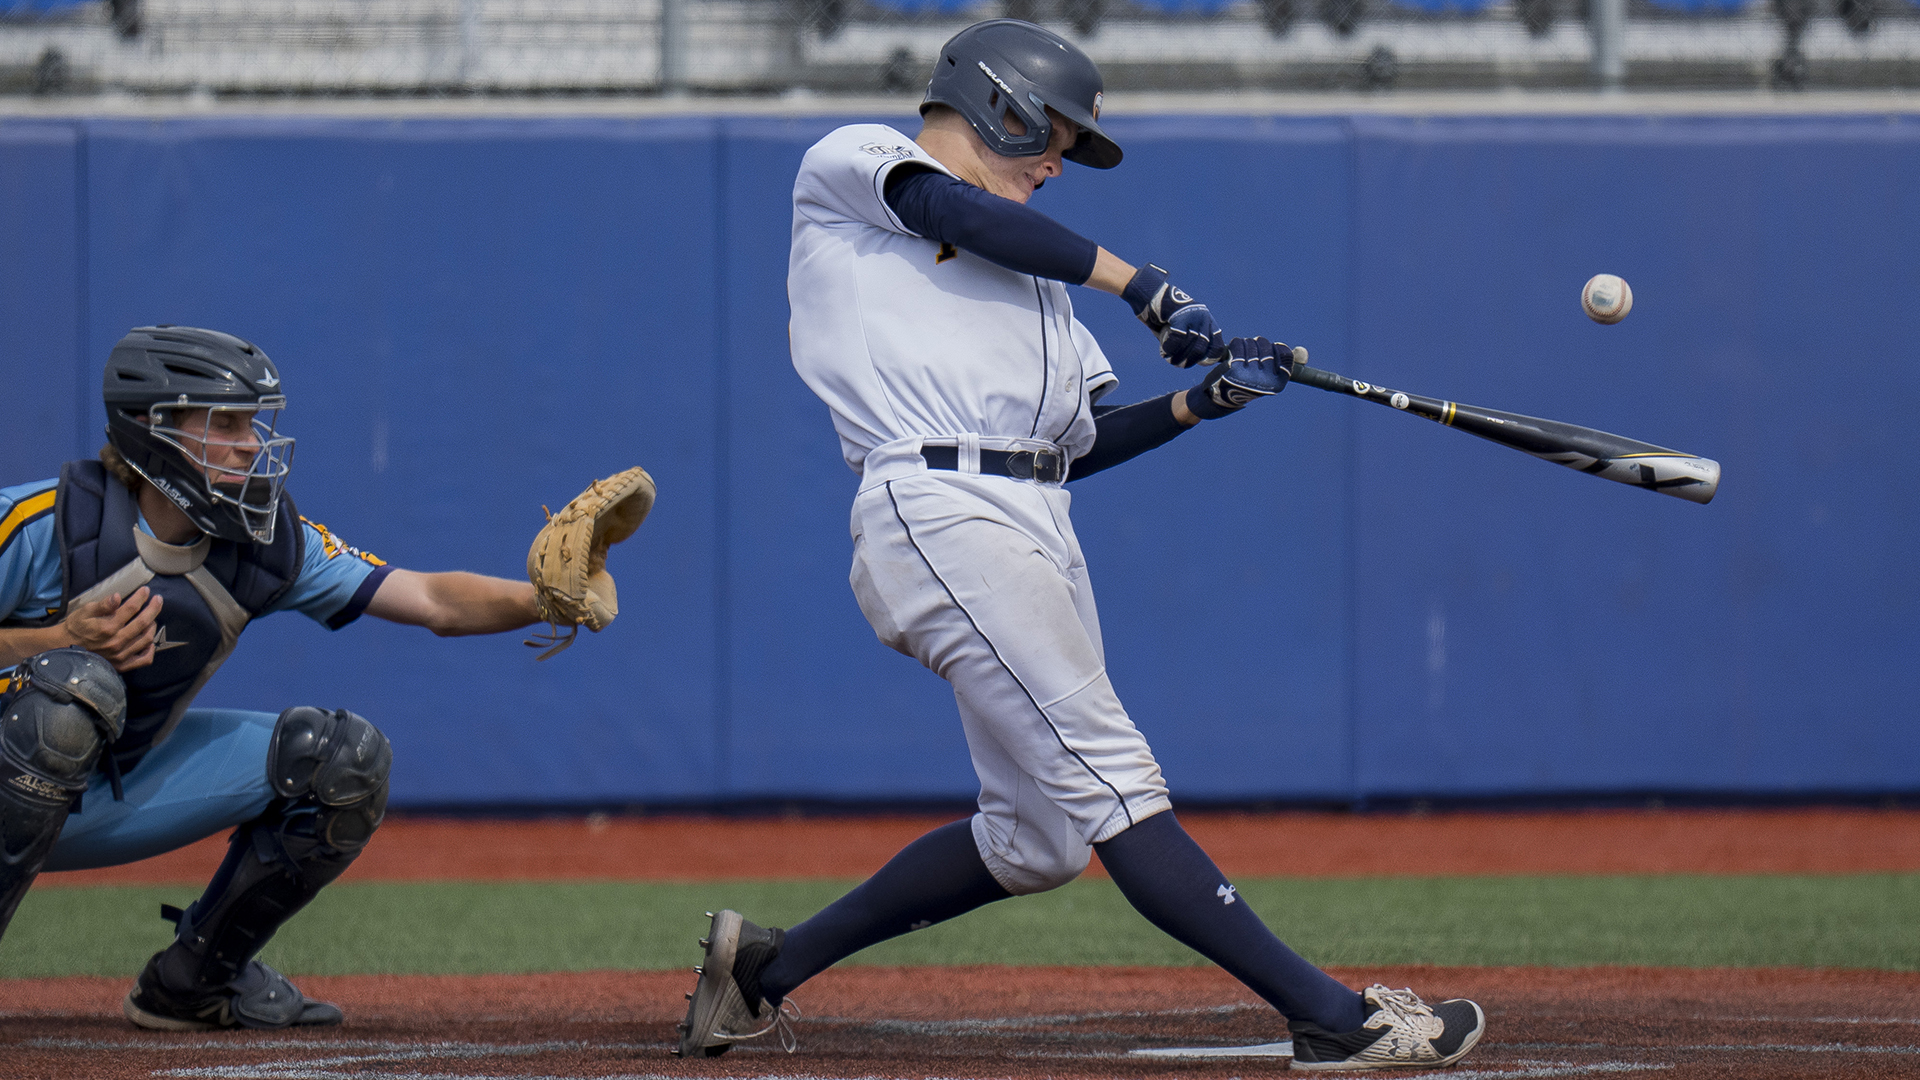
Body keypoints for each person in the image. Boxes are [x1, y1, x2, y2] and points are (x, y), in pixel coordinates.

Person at [675, 20, 1484, 1072]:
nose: (1057, 164)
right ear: (999, 103)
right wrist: (1143, 285)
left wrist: (1204, 401)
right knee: (1113, 773)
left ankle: (760, 971)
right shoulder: (859, 162)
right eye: (1052, 138)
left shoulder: (1035, 284)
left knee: (1039, 839)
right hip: (937, 507)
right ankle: (1332, 1017)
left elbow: (1078, 446)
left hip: (1031, 518)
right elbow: (946, 208)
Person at [0, 325, 544, 1031]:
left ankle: (192, 985)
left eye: (252, 423)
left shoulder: (264, 542)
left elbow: (433, 600)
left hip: (103, 791)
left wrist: (548, 598)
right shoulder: (43, 523)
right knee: (69, 695)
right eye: (224, 424)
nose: (250, 444)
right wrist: (56, 640)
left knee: (341, 760)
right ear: (150, 427)